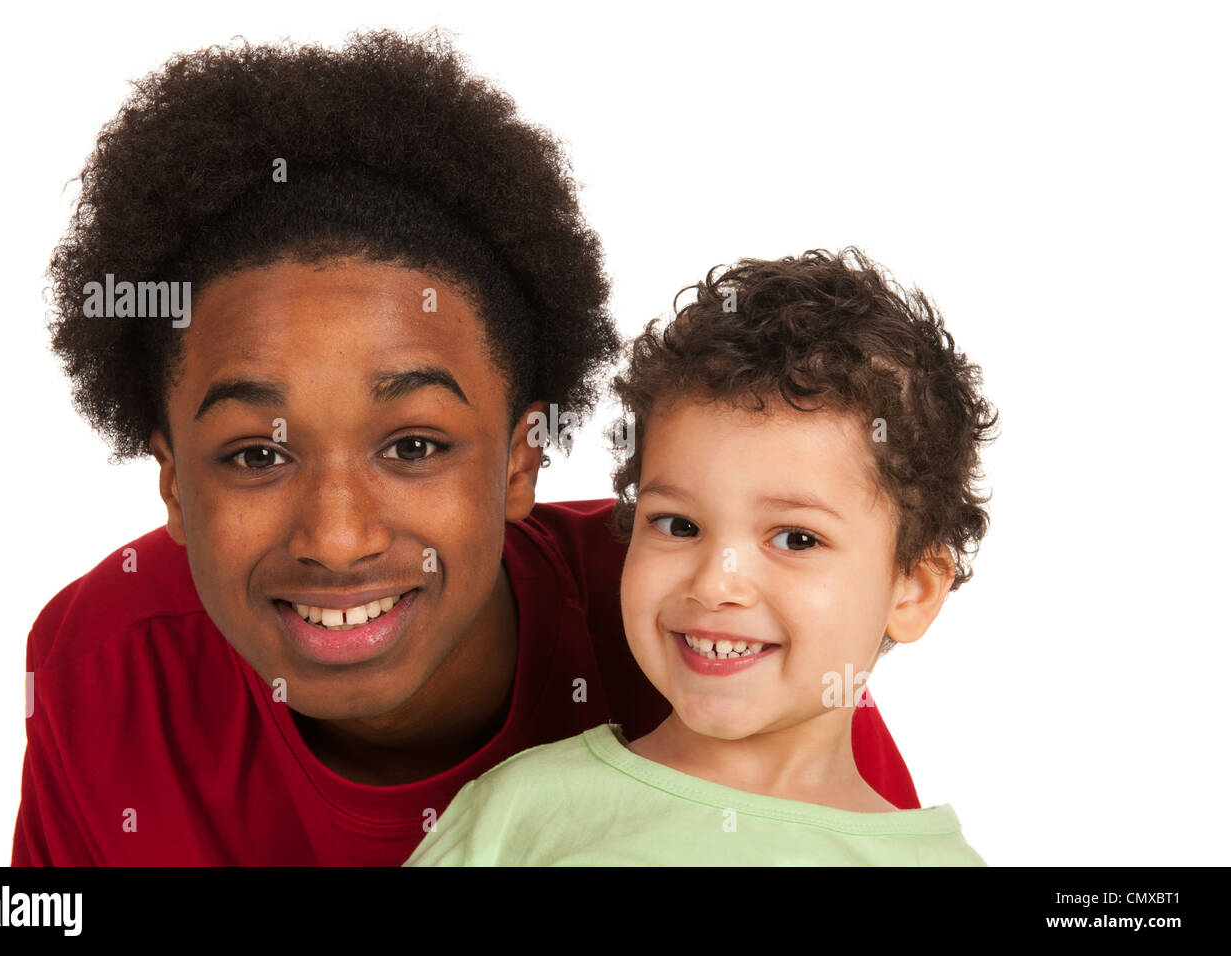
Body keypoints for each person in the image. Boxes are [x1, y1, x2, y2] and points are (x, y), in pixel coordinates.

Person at [14, 31, 919, 866]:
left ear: (523, 458)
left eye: (413, 444)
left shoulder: (713, 649)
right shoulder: (102, 672)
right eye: (257, 455)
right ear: (170, 478)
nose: (336, 539)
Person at [406, 249, 997, 865]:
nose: (717, 584)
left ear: (914, 591)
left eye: (796, 538)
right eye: (679, 525)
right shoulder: (519, 811)